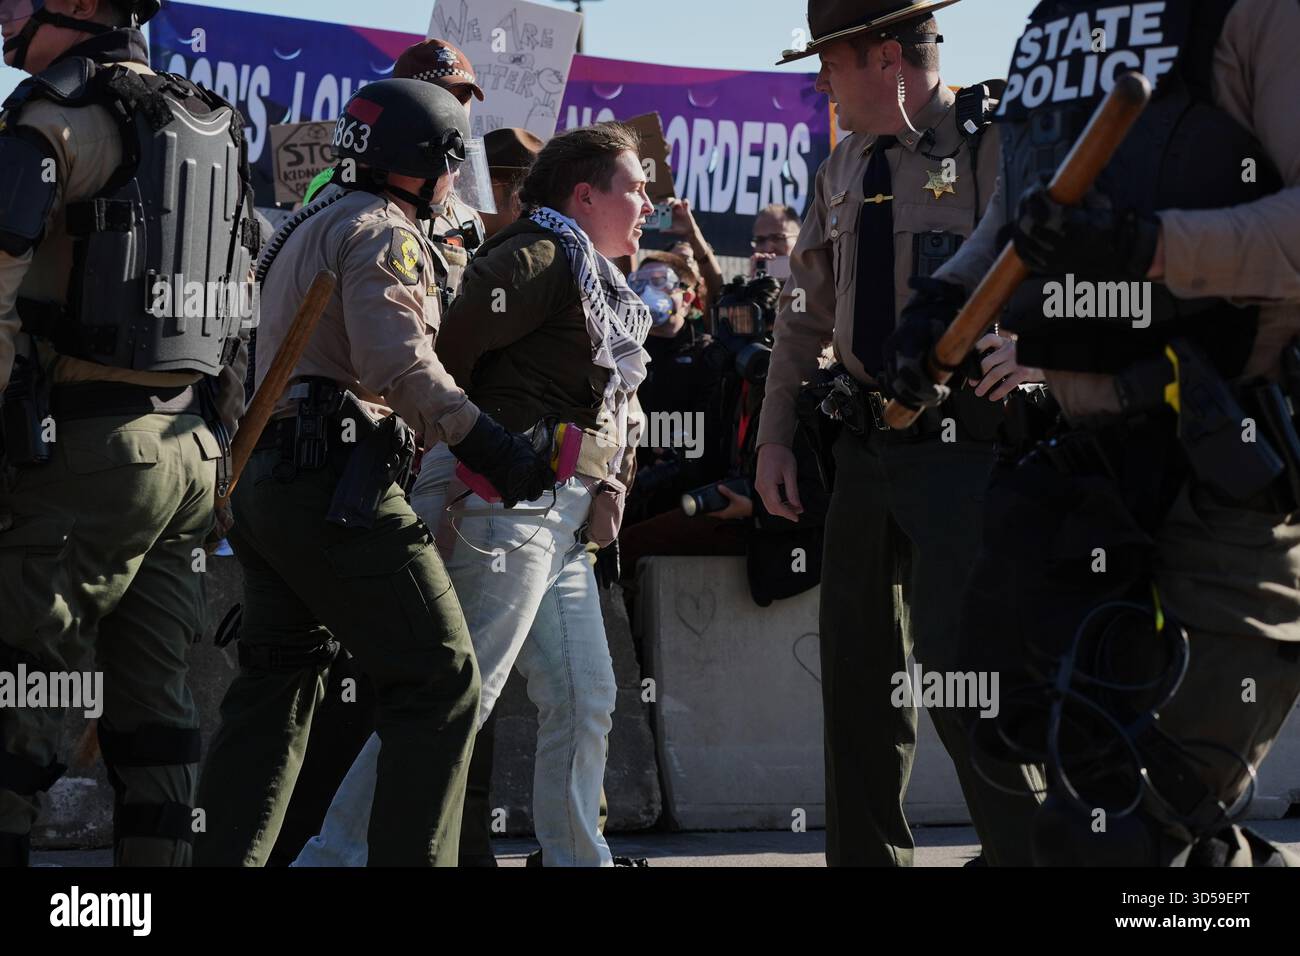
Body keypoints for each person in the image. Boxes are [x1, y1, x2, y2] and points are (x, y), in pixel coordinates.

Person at [885, 0, 1300, 866]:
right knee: (1063, 765)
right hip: (1089, 475)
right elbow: (1022, 210)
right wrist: (947, 300)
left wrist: (1149, 247)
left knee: (1135, 830)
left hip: (1235, 463)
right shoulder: (1055, 21)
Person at [193, 79, 553, 867]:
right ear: (429, 165)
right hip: (334, 486)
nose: (460, 184)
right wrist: (490, 445)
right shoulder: (383, 231)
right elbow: (398, 364)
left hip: (267, 484)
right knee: (442, 679)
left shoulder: (308, 223)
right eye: (455, 165)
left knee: (273, 694)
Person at [296, 122, 653, 868]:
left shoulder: (596, 276)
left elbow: (612, 399)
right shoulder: (537, 253)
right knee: (457, 699)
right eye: (635, 188)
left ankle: (574, 860)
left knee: (586, 695)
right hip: (495, 497)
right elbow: (447, 350)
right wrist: (477, 447)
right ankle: (334, 858)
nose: (649, 203)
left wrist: (609, 478)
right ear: (585, 196)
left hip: (555, 513)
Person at [755, 0, 1041, 867]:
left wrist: (1040, 343)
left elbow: (1063, 258)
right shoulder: (840, 166)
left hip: (967, 446)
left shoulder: (994, 143)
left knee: (966, 676)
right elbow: (804, 312)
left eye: (829, 64)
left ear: (886, 59)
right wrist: (773, 435)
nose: (820, 83)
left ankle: (1033, 857)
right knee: (856, 682)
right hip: (862, 449)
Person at [0, 0, 254, 866]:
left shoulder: (53, 117)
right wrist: (219, 456)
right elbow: (239, 312)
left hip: (82, 457)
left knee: (24, 692)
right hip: (187, 453)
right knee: (154, 717)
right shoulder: (213, 122)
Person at [750, 202, 803, 274]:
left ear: (799, 240)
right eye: (760, 240)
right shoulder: (748, 283)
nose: (767, 249)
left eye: (778, 238)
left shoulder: (819, 282)